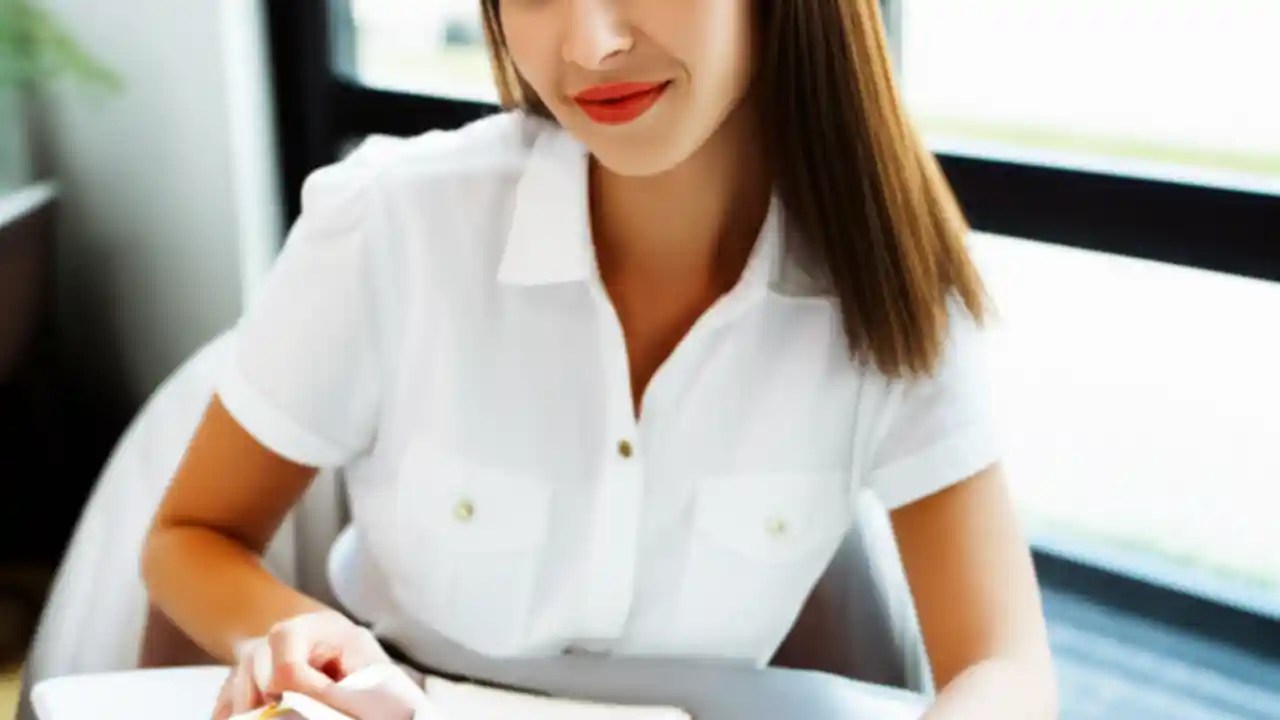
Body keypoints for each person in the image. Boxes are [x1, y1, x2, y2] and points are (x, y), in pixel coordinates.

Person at [142, 0, 1058, 718]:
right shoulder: (391, 224)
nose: (589, 43)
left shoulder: (893, 287)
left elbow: (1005, 667)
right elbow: (188, 538)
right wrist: (305, 636)